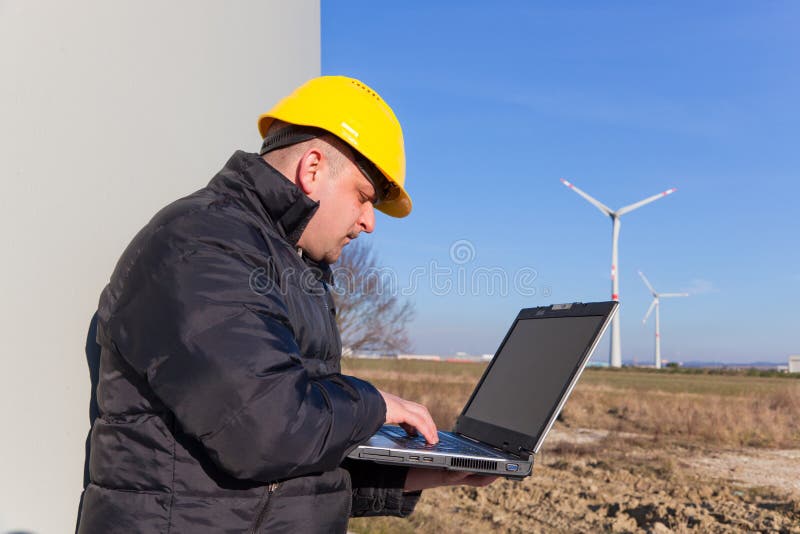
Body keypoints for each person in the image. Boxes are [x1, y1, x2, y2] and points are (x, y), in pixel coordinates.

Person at [76, 76, 494, 533]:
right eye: (364, 197)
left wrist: (424, 475)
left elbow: (288, 471)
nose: (369, 223)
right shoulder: (202, 245)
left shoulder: (288, 264)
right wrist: (373, 403)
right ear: (312, 168)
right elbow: (266, 432)